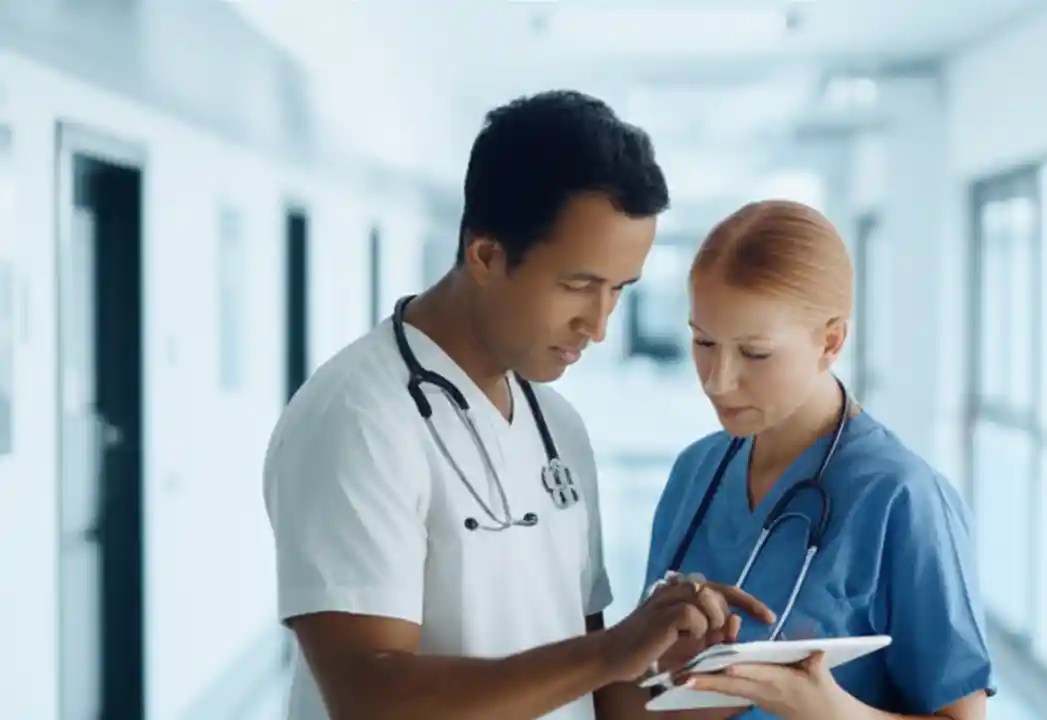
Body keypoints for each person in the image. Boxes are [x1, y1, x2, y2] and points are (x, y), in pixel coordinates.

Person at [262, 90, 772, 720]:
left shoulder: (556, 425)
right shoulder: (357, 418)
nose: (599, 325)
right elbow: (369, 698)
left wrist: (717, 673)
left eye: (618, 290)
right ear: (485, 254)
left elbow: (594, 688)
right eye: (578, 285)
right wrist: (609, 652)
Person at [642, 200, 996, 719]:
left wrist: (826, 711)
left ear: (830, 341)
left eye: (755, 353)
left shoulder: (904, 497)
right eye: (703, 341)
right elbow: (647, 687)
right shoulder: (696, 472)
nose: (717, 379)